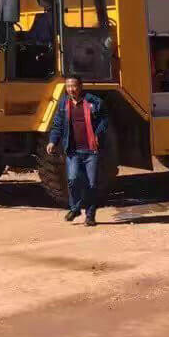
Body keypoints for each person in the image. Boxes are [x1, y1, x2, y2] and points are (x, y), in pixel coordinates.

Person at [45, 75, 109, 226]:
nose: (71, 89)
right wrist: (52, 141)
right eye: (68, 87)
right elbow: (57, 125)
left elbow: (104, 120)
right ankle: (75, 208)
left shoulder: (93, 102)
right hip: (73, 151)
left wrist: (98, 134)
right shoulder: (63, 104)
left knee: (91, 184)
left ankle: (90, 215)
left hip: (91, 151)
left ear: (80, 86)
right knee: (73, 180)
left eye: (73, 86)